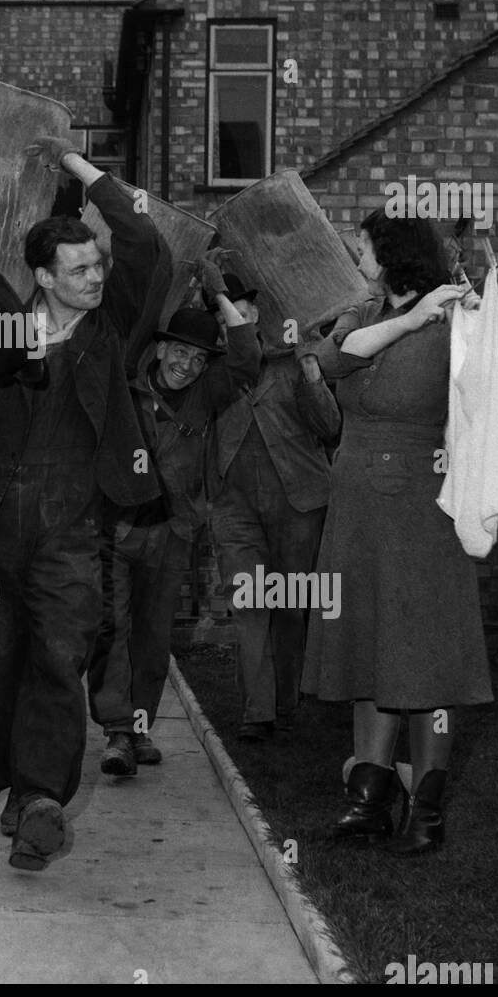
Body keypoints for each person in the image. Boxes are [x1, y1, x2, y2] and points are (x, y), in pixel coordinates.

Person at [0, 136, 164, 871]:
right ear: (41, 276)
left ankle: (39, 801)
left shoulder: (109, 331)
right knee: (2, 664)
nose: (94, 277)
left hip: (70, 528)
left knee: (60, 660)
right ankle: (12, 786)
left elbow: (146, 243)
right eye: (77, 269)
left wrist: (79, 170)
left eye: (95, 266)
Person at [301, 210, 488, 855]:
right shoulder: (366, 312)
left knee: (424, 657)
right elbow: (331, 359)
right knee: (365, 648)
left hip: (421, 506)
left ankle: (426, 813)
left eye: (363, 244)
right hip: (355, 506)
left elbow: (485, 401)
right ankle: (369, 800)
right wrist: (410, 319)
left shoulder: (462, 319)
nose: (356, 253)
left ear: (392, 250)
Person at [89, 271, 260, 775]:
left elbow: (247, 358)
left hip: (173, 534)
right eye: (180, 352)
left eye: (200, 357)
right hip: (118, 530)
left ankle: (137, 729)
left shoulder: (208, 393)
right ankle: (117, 732)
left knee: (154, 636)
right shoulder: (125, 386)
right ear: (160, 350)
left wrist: (220, 295)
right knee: (112, 629)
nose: (188, 365)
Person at [205, 274, 342, 742]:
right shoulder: (214, 369)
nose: (231, 323)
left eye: (239, 311)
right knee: (249, 603)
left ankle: (287, 702)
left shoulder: (291, 360)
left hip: (298, 499)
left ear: (257, 314)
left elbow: (330, 427)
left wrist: (309, 370)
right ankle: (256, 712)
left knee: (289, 603)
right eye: (223, 316)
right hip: (234, 505)